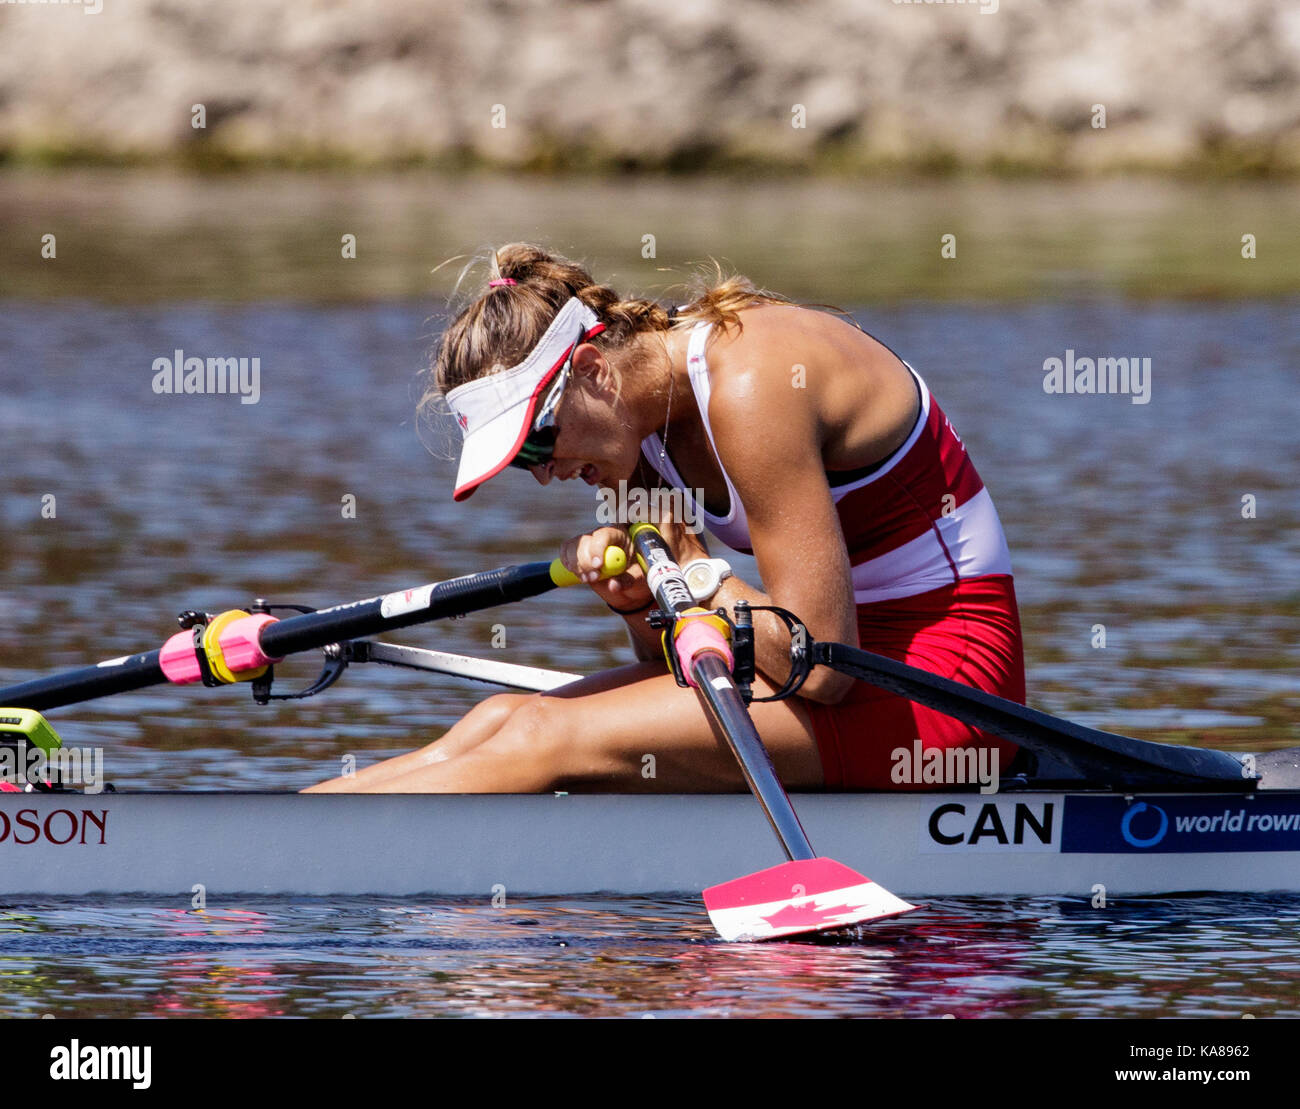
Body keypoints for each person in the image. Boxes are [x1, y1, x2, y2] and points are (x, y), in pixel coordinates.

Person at [306, 243, 1023, 794]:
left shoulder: (752, 383)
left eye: (538, 439)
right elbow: (671, 664)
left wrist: (698, 573)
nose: (547, 471)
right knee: (503, 719)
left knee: (547, 736)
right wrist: (641, 603)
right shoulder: (627, 430)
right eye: (521, 461)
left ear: (591, 370)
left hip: (940, 687)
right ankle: (284, 827)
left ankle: (285, 859)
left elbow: (822, 664)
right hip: (838, 667)